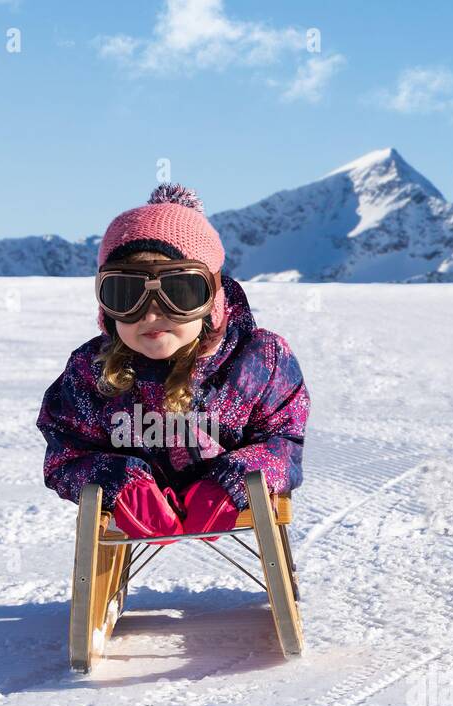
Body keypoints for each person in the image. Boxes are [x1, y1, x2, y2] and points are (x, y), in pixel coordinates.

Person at [37, 183, 309, 543]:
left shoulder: (259, 362)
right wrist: (118, 482)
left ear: (211, 300)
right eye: (126, 295)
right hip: (134, 502)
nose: (151, 314)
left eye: (179, 293)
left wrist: (235, 480)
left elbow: (283, 441)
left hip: (225, 495)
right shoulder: (92, 372)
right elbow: (66, 452)